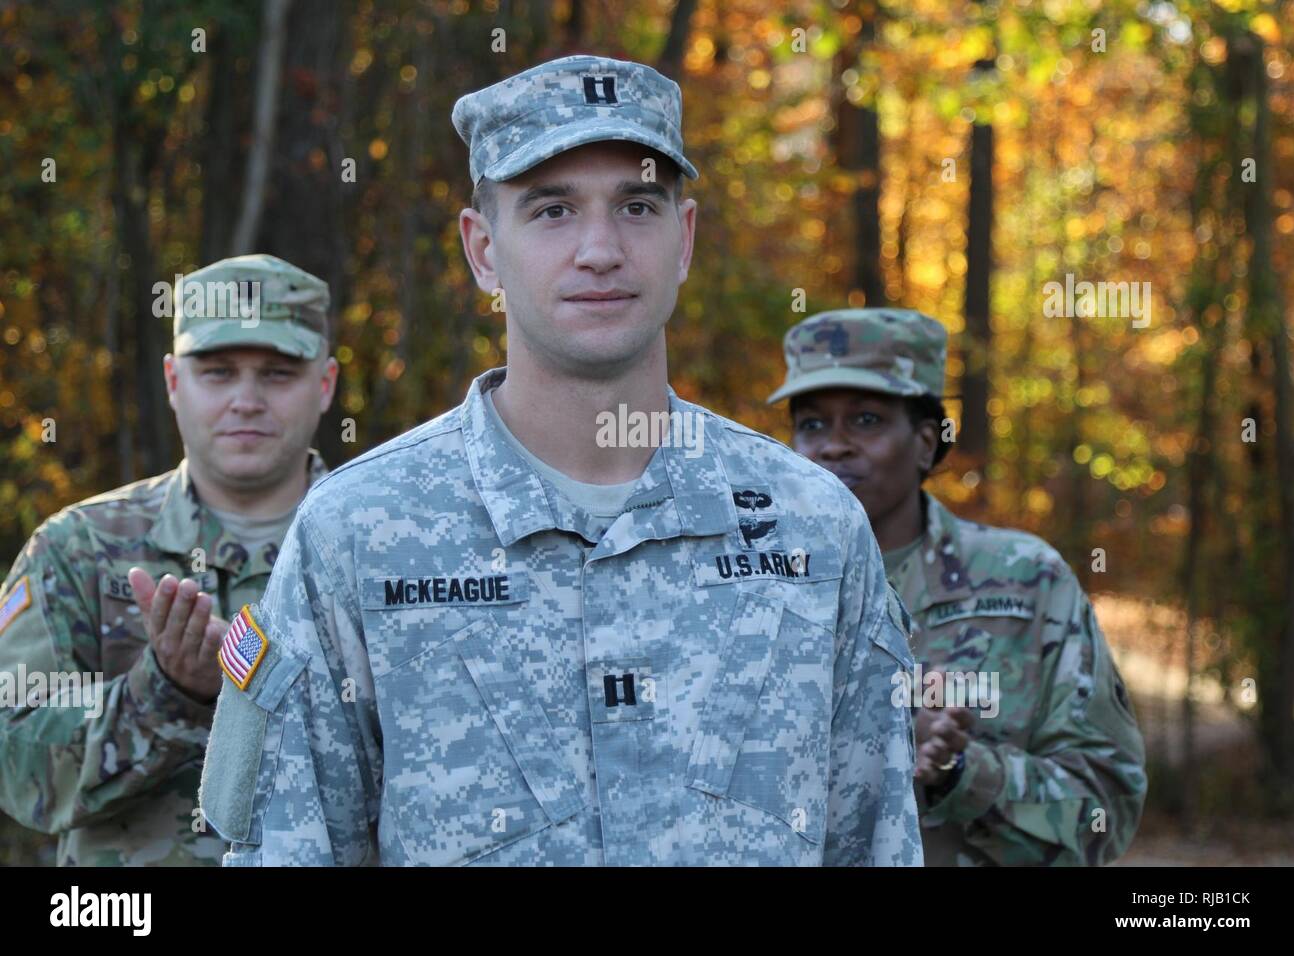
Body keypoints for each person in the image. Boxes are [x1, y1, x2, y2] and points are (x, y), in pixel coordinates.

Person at [198, 55, 920, 867]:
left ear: (683, 239)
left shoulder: (812, 529)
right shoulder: (359, 535)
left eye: (637, 206)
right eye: (552, 210)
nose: (600, 250)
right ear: (483, 251)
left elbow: (877, 844)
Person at [771, 307, 1147, 865]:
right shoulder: (750, 586)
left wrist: (959, 771)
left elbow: (1106, 809)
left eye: (866, 420)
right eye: (812, 424)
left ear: (926, 442)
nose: (834, 446)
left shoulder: (1026, 581)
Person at [0, 254, 337, 865]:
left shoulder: (381, 546)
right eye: (218, 372)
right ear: (174, 381)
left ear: (325, 384)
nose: (246, 400)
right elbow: (14, 765)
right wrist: (163, 690)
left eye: (278, 373)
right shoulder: (77, 550)